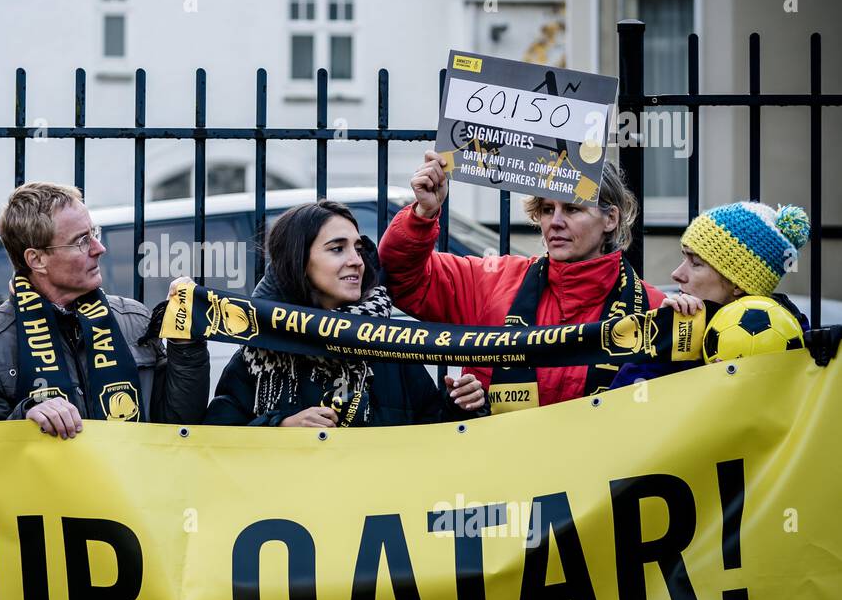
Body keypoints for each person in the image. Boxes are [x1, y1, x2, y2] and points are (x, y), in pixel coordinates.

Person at [379, 151, 665, 412]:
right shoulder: (495, 281)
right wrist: (423, 214)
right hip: (496, 463)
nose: (555, 222)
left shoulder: (656, 308)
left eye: (572, 209)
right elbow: (403, 279)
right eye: (546, 209)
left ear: (610, 219)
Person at [0, 181, 209, 437]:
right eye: (82, 241)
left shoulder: (134, 319)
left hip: (135, 479)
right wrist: (24, 420)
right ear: (36, 259)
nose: (99, 248)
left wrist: (185, 343)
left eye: (94, 233)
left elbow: (179, 428)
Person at [205, 200, 486, 427]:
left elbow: (430, 436)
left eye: (359, 249)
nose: (356, 261)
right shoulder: (259, 350)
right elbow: (216, 444)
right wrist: (281, 427)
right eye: (337, 249)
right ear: (299, 262)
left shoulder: (387, 343)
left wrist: (460, 405)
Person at [611, 201, 811, 387]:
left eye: (696, 263)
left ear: (737, 284)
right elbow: (621, 403)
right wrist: (662, 337)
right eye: (684, 258)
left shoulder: (787, 340)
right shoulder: (684, 325)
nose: (677, 274)